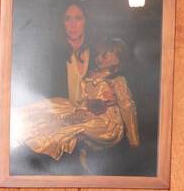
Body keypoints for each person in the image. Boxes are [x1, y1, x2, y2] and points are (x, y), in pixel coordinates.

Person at [11, 37, 139, 172]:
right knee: (60, 105)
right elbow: (85, 99)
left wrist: (133, 139)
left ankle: (39, 154)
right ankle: (28, 139)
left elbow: (128, 108)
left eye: (105, 55)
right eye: (98, 55)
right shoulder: (90, 76)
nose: (99, 59)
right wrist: (82, 109)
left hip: (107, 123)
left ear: (117, 59)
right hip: (89, 113)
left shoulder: (117, 81)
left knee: (72, 127)